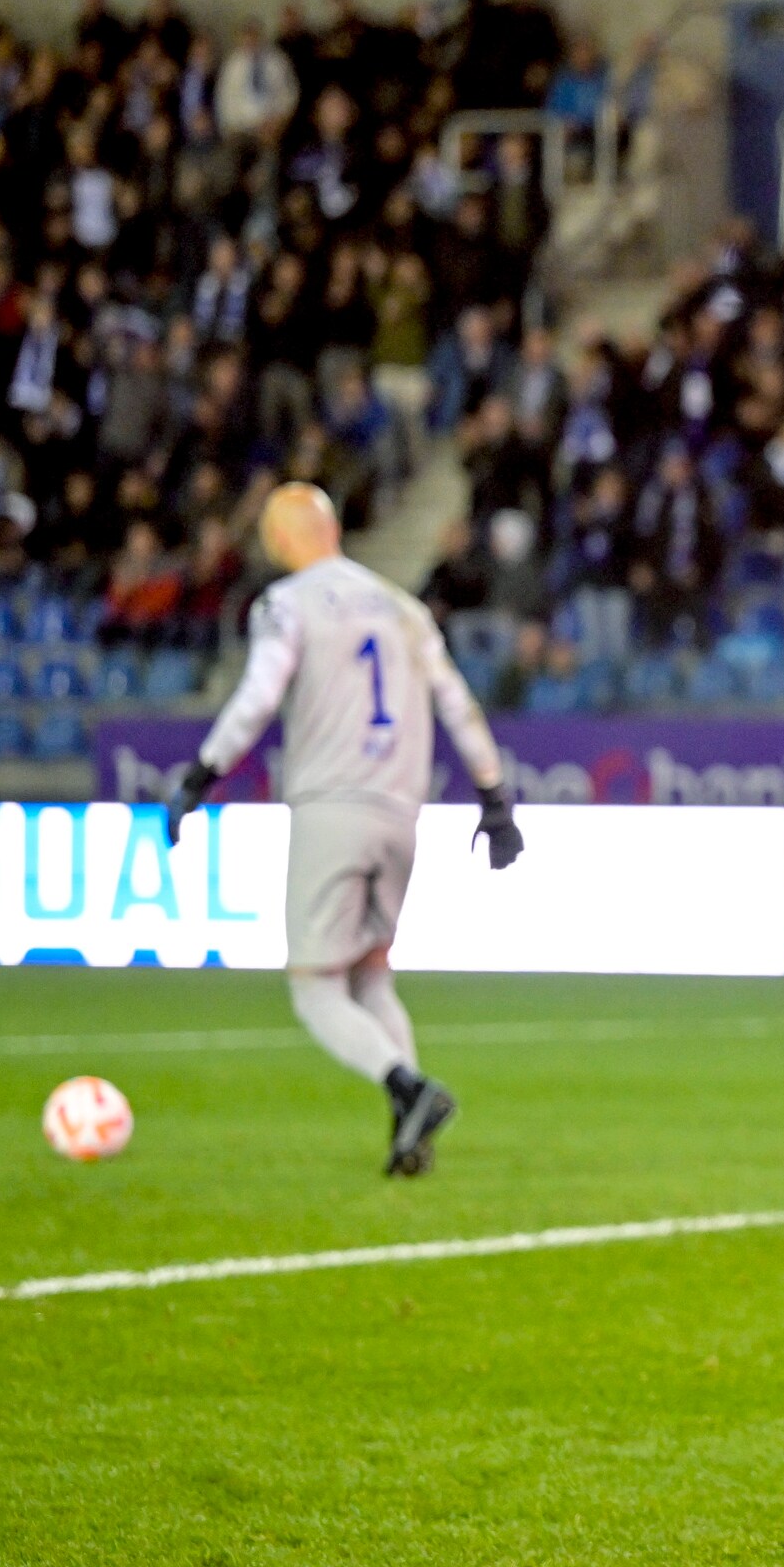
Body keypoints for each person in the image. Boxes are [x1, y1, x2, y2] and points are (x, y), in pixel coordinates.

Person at [160, 484, 524, 1177]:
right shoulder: (405, 607)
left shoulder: (287, 604)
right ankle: (409, 1133)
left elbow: (260, 693)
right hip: (400, 811)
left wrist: (203, 773)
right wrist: (494, 799)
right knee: (371, 976)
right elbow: (457, 701)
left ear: (286, 536)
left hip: (332, 804)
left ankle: (408, 1087)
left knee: (315, 987)